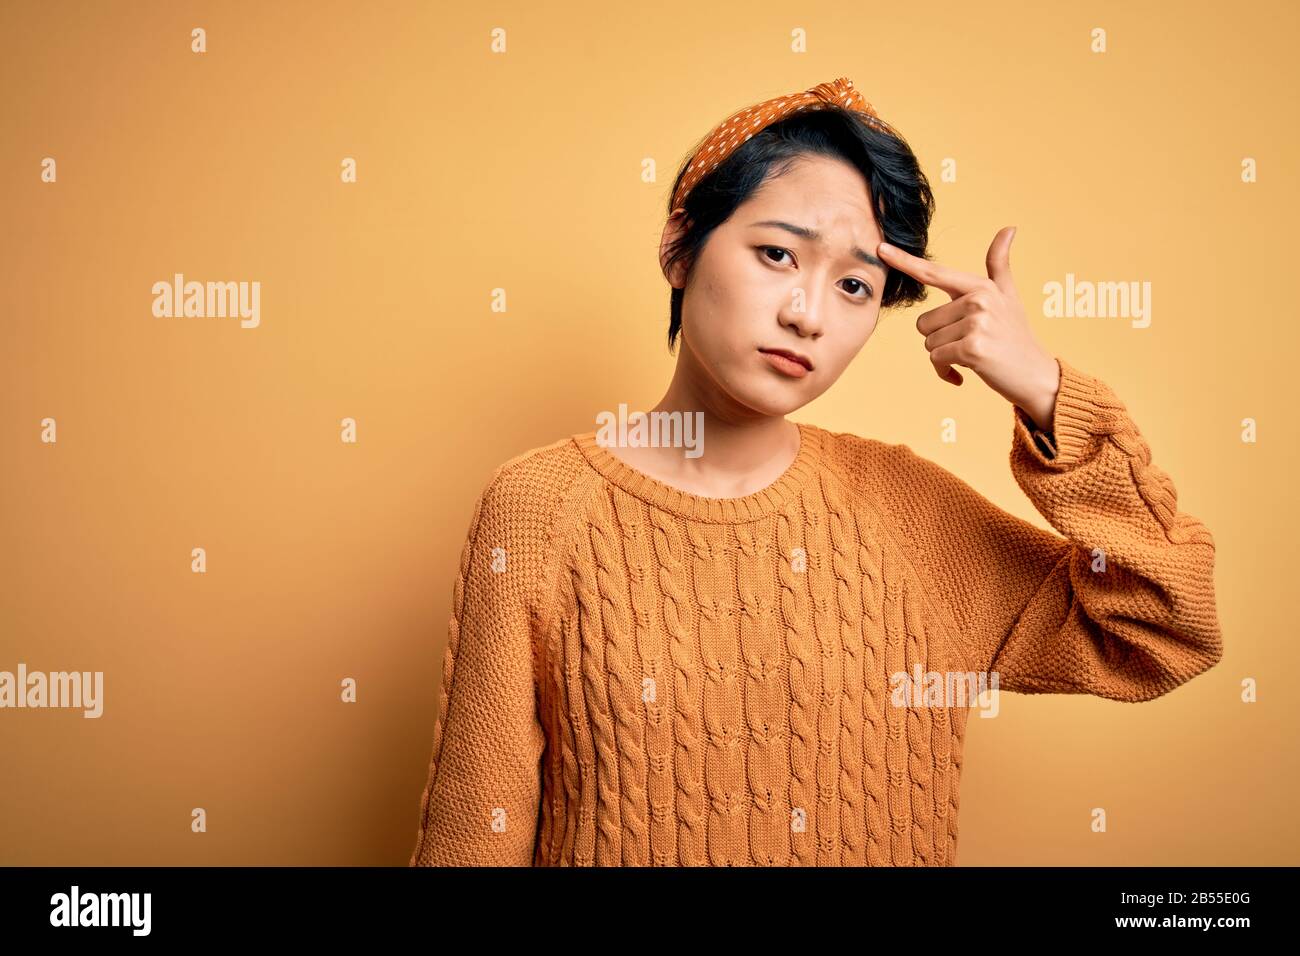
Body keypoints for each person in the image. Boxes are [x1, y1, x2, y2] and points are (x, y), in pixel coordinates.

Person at [408, 78, 1223, 867]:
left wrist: (1048, 392)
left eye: (855, 286)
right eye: (775, 254)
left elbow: (1164, 626)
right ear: (678, 249)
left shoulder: (906, 511)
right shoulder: (538, 510)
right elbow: (476, 832)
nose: (808, 313)